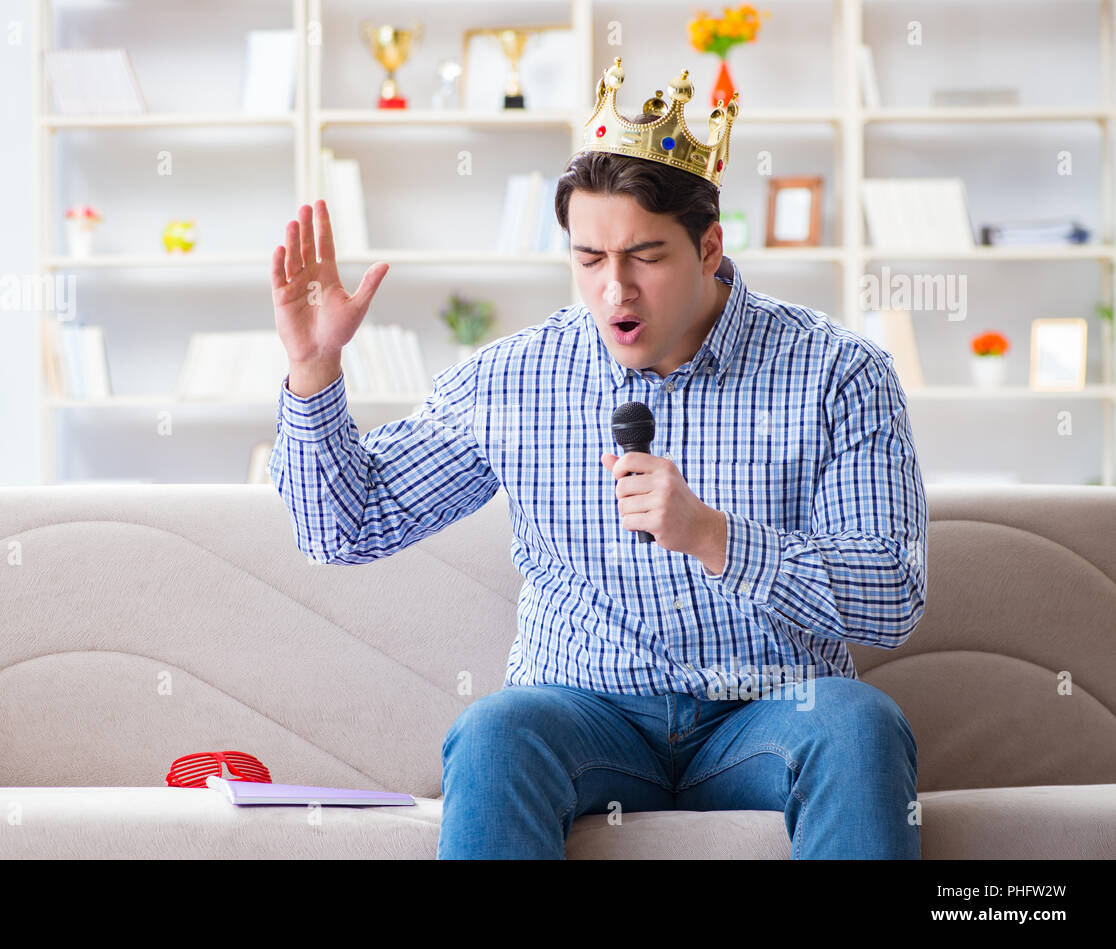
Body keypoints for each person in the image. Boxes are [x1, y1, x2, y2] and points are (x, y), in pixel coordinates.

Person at [267, 58, 927, 860]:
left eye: (646, 256)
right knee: (494, 728)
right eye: (588, 259)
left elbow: (892, 595)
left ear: (710, 246)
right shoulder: (516, 376)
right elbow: (345, 527)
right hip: (587, 712)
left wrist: (714, 535)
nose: (615, 290)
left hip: (770, 708)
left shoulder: (839, 371)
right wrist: (315, 370)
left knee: (859, 723)